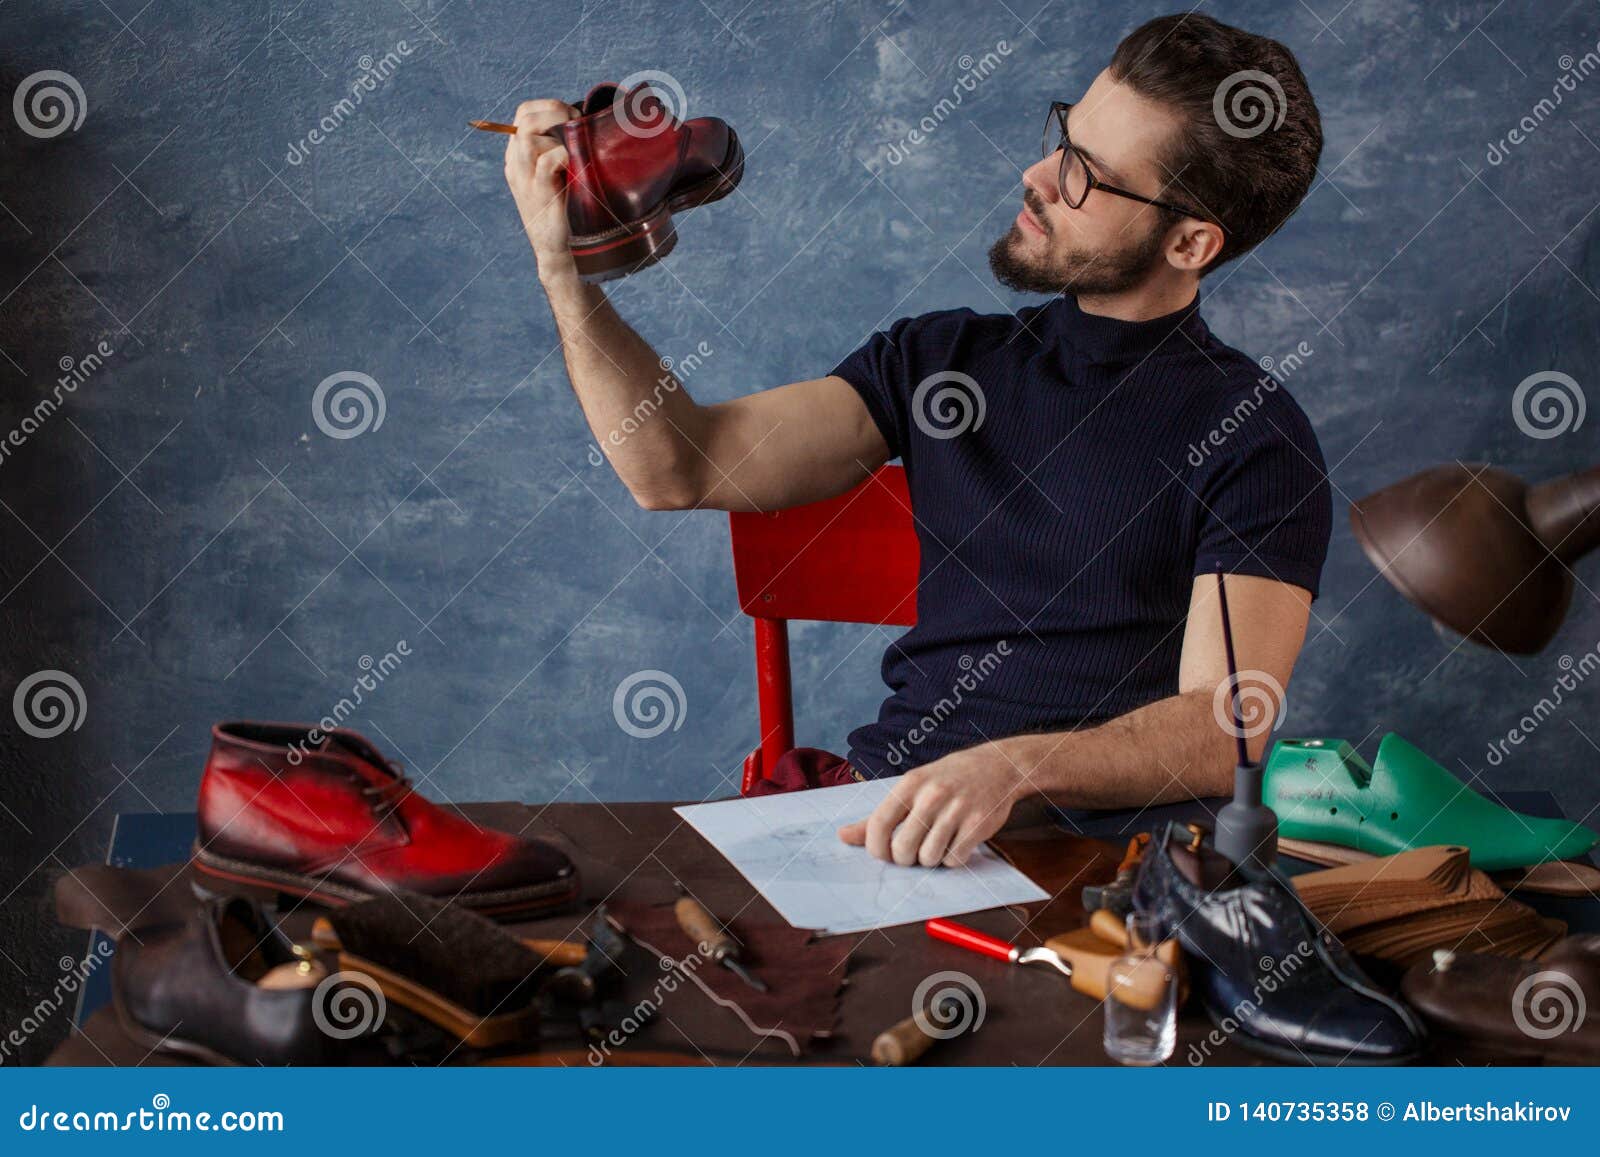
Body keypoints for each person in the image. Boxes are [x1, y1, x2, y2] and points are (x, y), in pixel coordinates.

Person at [501, 13, 1329, 869]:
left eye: (1087, 175)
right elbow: (677, 465)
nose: (1038, 176)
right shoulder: (942, 363)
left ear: (1190, 242)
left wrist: (1014, 767)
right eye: (1063, 139)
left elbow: (1221, 731)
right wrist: (563, 271)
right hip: (886, 819)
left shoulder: (1254, 436)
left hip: (1092, 863)